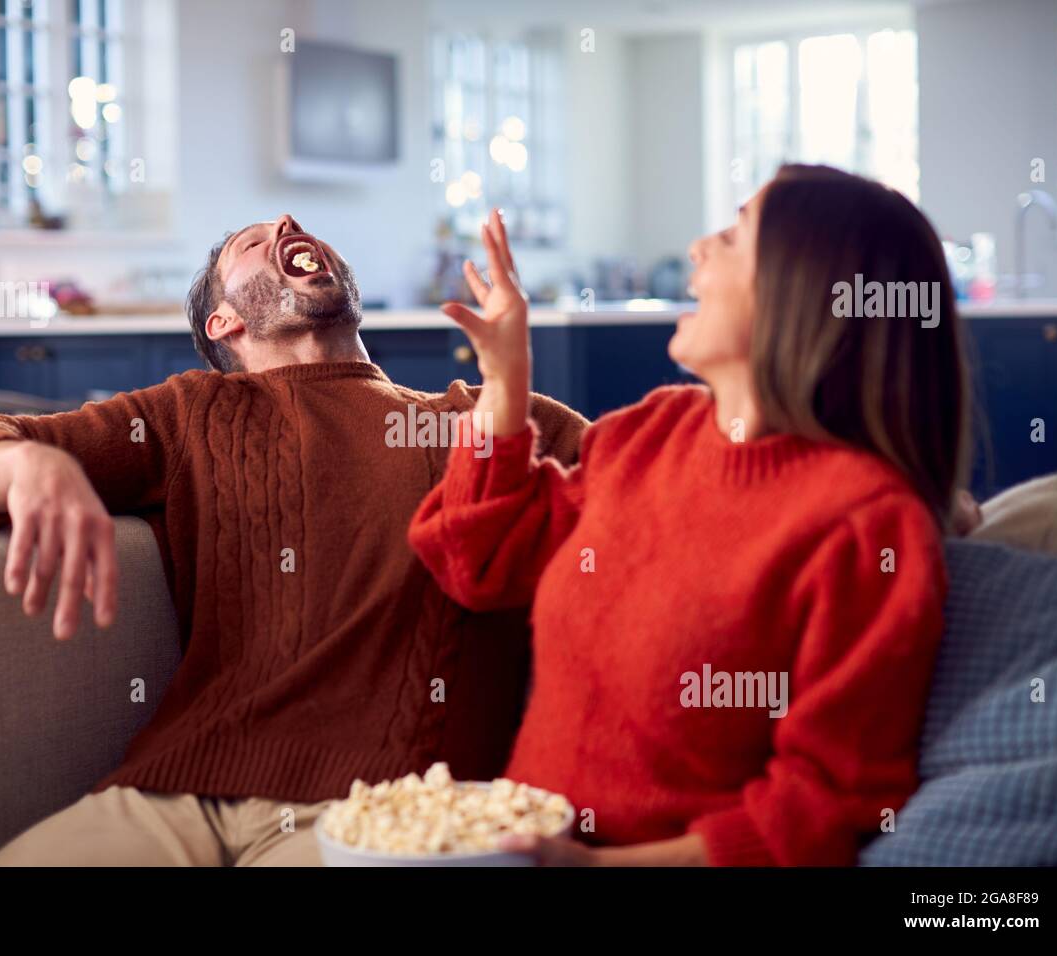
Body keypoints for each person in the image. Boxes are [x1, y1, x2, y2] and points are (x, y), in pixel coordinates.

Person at [0, 214, 586, 866]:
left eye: (292, 228)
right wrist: (30, 462)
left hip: (379, 807)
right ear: (223, 320)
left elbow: (659, 481)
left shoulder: (489, 417)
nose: (288, 224)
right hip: (175, 792)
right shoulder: (190, 412)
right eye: (253, 242)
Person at [409, 167, 971, 866]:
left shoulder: (865, 524)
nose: (700, 247)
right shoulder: (652, 433)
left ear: (804, 293)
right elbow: (481, 562)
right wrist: (504, 383)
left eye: (734, 236)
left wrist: (594, 868)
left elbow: (825, 803)